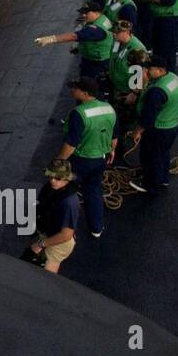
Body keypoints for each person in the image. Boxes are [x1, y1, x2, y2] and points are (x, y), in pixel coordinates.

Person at [55, 76, 117, 239]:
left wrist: (59, 161)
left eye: (75, 88)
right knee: (94, 191)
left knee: (66, 191)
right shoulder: (108, 108)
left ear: (84, 93)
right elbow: (114, 134)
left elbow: (71, 144)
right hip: (100, 159)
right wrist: (112, 150)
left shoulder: (79, 114)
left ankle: (64, 229)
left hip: (80, 160)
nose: (72, 90)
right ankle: (96, 227)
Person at [129, 55, 178, 194]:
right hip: (173, 125)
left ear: (160, 70)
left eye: (150, 69)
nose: (146, 71)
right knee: (162, 154)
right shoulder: (173, 78)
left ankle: (150, 185)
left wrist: (137, 131)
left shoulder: (157, 91)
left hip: (159, 129)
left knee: (151, 156)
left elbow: (148, 117)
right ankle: (163, 178)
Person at [34, 4, 114, 82]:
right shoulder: (101, 19)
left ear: (96, 12)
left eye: (87, 13)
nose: (83, 15)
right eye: (83, 13)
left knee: (90, 83)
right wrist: (78, 47)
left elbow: (74, 36)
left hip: (97, 63)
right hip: (94, 58)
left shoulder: (96, 29)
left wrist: (51, 39)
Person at [29, 159, 80, 273]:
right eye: (50, 177)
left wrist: (42, 244)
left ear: (67, 178)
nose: (52, 181)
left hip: (60, 243)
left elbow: (66, 235)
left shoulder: (69, 203)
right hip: (51, 232)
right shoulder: (54, 188)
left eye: (57, 178)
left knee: (48, 276)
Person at [107, 20, 147, 110]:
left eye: (117, 32)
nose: (114, 34)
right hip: (116, 87)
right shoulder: (117, 42)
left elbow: (143, 75)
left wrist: (134, 94)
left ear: (127, 32)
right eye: (113, 32)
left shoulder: (137, 49)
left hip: (127, 92)